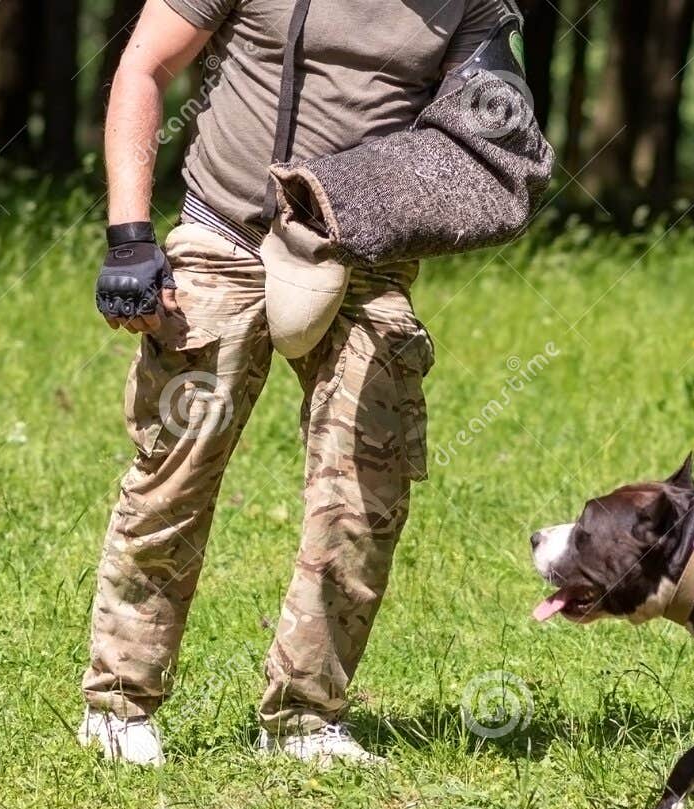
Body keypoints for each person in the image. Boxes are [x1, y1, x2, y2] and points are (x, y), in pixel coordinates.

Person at [81, 0, 506, 766]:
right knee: (176, 469)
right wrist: (129, 239)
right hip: (226, 234)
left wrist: (399, 196)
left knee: (366, 486)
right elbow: (144, 65)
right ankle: (118, 706)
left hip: (361, 253)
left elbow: (490, 142)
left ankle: (304, 719)